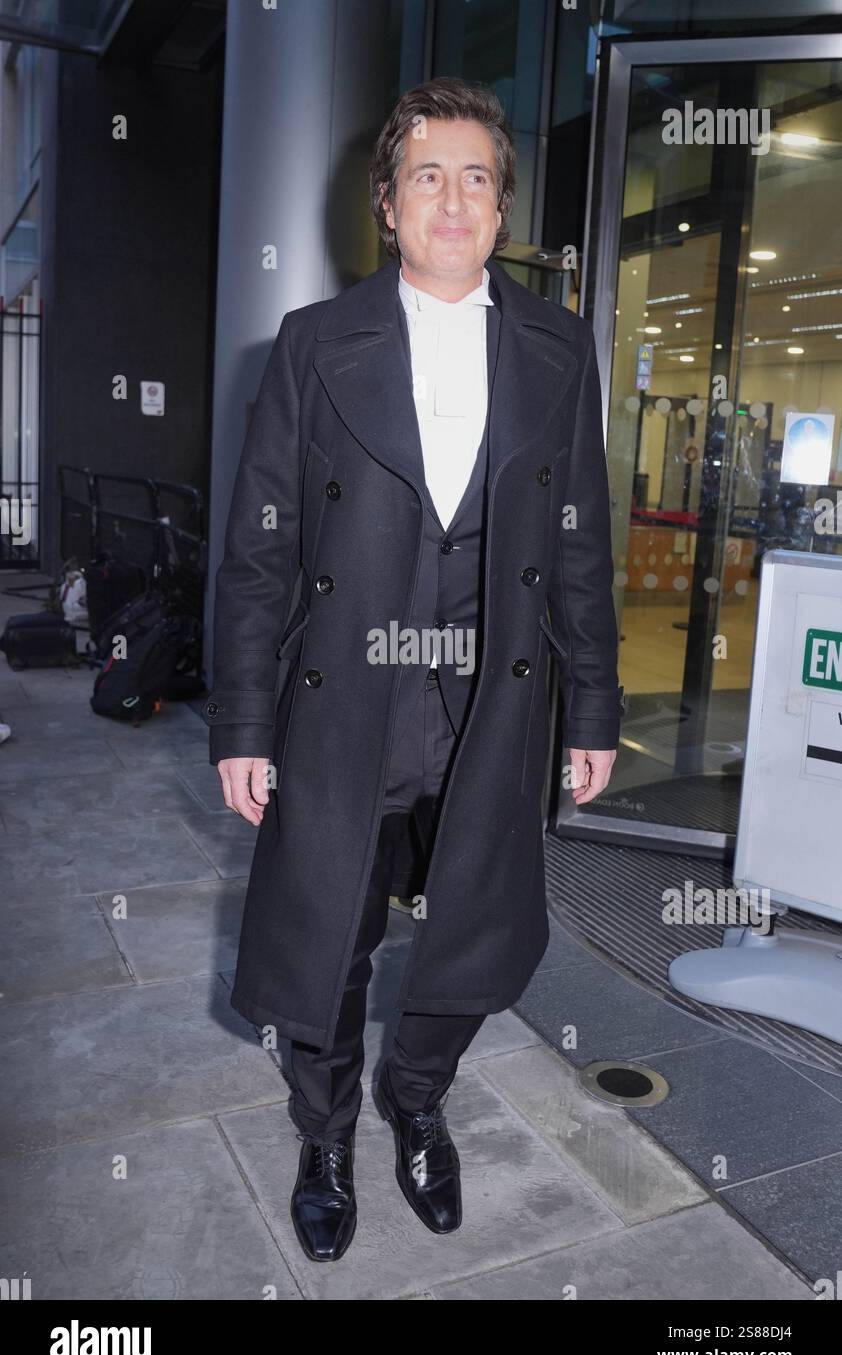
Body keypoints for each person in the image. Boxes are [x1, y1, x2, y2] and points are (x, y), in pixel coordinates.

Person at [202, 76, 622, 1262]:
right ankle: (325, 1132)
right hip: (351, 701)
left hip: (494, 704)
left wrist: (591, 702)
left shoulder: (554, 346)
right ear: (387, 203)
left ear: (500, 209)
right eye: (426, 175)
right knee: (329, 936)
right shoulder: (313, 344)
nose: (453, 197)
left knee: (473, 932)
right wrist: (242, 721)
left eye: (477, 176)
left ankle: (416, 1096)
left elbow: (581, 537)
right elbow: (257, 556)